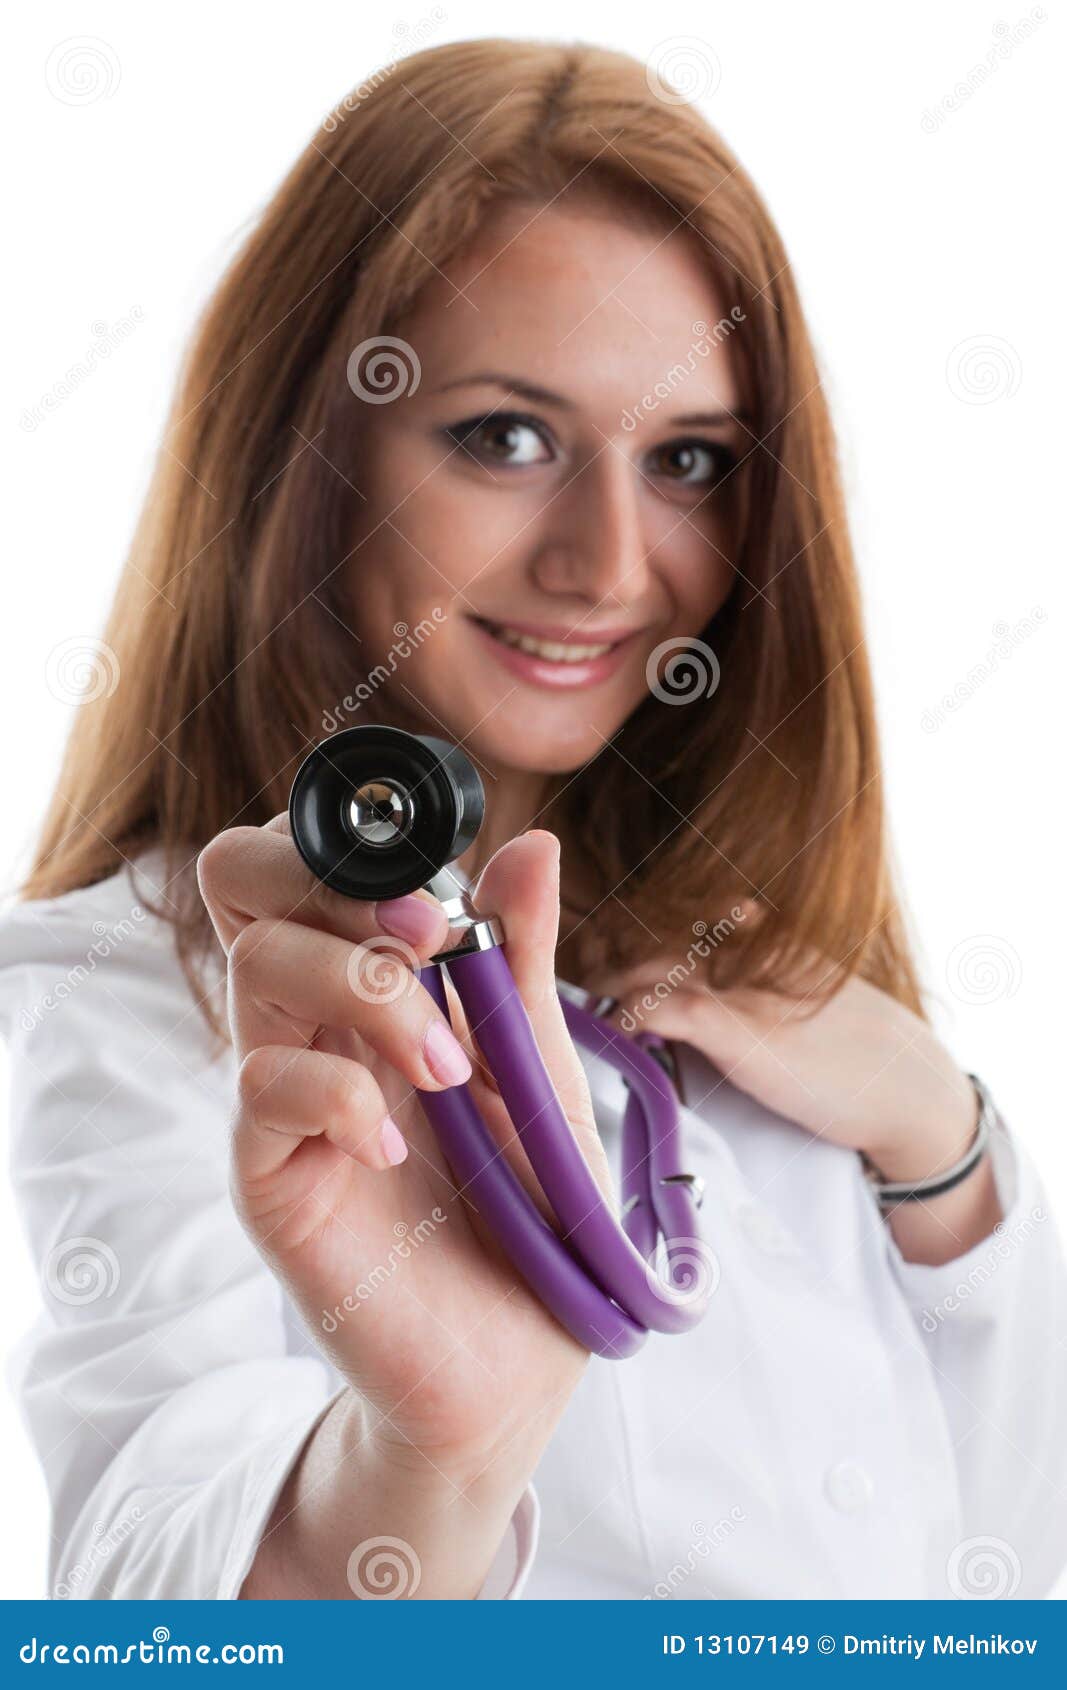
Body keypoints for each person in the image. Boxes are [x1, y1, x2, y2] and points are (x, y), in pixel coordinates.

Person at [3, 38, 1065, 1602]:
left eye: (690, 460)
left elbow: (1008, 1579)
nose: (611, 564)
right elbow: (150, 1612)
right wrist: (436, 1462)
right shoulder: (134, 979)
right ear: (311, 447)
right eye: (506, 437)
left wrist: (942, 1150)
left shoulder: (783, 995)